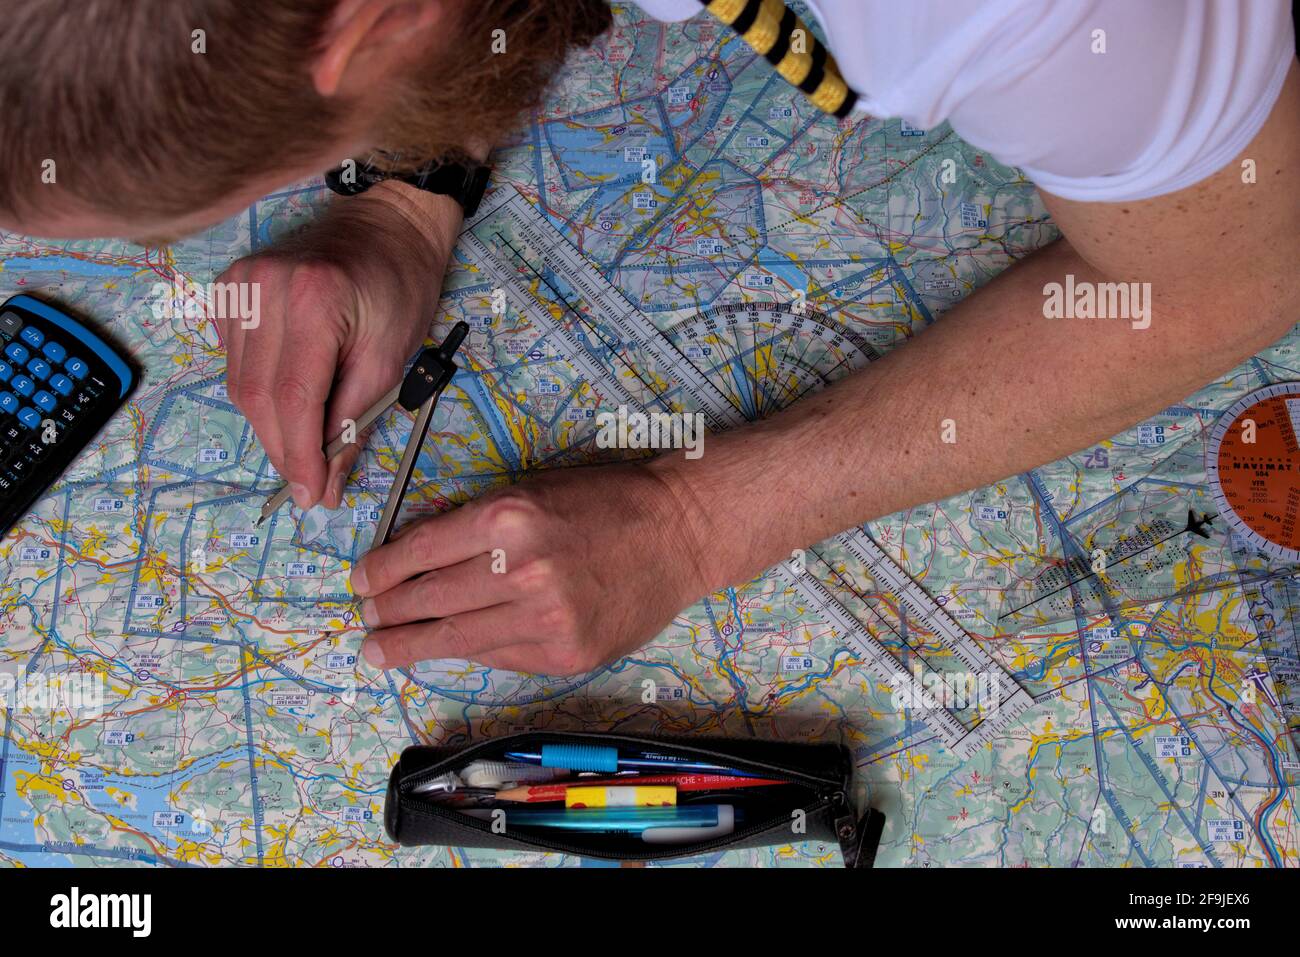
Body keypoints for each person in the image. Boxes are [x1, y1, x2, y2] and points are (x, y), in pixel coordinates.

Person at [0, 0, 1294, 676]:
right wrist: (406, 187)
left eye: (306, 154)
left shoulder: (1020, 15)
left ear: (380, 25)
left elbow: (1229, 272)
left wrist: (701, 523)